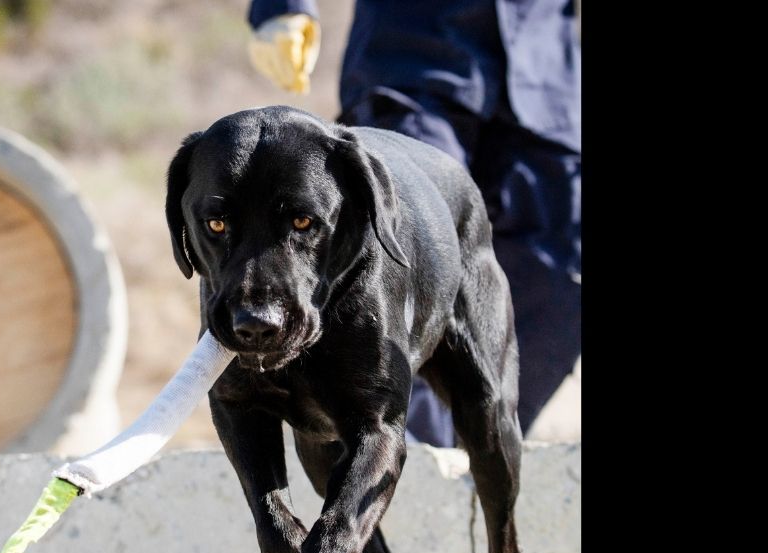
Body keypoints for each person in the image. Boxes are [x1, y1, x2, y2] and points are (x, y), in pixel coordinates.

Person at [246, 0, 581, 447]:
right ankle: (399, 457)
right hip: (413, 60)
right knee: (409, 259)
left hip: (545, 78)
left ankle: (479, 443)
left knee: (560, 276)